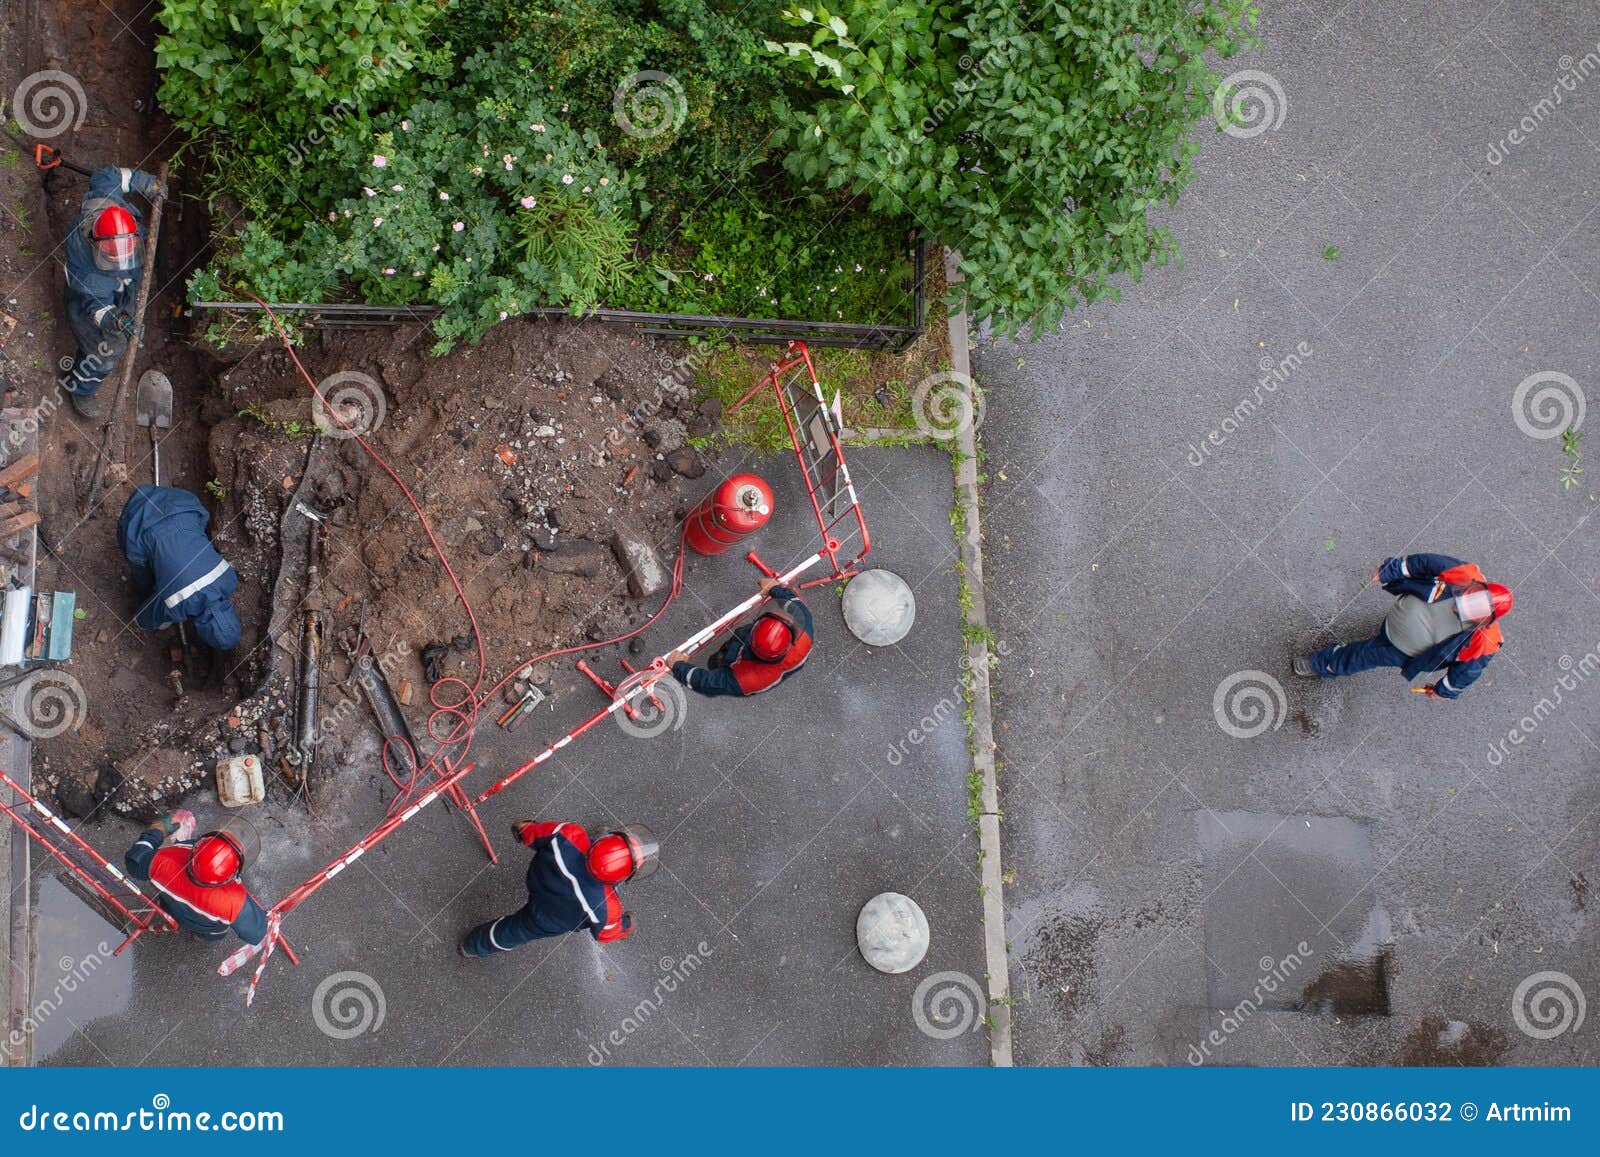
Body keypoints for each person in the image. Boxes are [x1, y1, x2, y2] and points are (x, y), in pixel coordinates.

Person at [1293, 553, 1512, 699]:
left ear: (1486, 621)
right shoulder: (1465, 573)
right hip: (1394, 622)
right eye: (1465, 599)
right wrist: (1392, 570)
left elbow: (1467, 672)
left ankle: (1323, 664)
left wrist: (1443, 690)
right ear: (1476, 588)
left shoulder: (1485, 642)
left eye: (1469, 611)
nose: (1459, 607)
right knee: (1368, 648)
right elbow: (1425, 563)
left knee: (1361, 656)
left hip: (1401, 651)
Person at [459, 822, 657, 957]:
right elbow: (606, 934)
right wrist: (627, 925)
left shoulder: (569, 835)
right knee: (515, 932)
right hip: (547, 919)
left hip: (538, 880)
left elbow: (531, 832)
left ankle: (473, 945)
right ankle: (472, 949)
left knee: (512, 928)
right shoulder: (607, 907)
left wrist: (523, 828)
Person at [61, 165, 164, 418]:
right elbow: (96, 309)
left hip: (117, 281)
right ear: (97, 244)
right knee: (103, 351)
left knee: (129, 284)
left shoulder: (105, 199)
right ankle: (80, 387)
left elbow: (108, 174)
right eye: (113, 255)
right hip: (87, 303)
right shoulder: (88, 273)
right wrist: (116, 320)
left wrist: (147, 183)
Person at [117, 484, 242, 651]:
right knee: (142, 573)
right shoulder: (177, 604)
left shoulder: (229, 579)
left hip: (180, 503)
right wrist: (142, 613)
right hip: (137, 523)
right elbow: (145, 617)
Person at [124, 810, 267, 944]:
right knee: (216, 933)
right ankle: (199, 936)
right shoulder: (234, 903)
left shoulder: (161, 860)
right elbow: (256, 934)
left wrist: (157, 830)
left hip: (169, 907)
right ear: (228, 878)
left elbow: (134, 861)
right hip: (206, 927)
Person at [665, 577, 813, 697]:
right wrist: (774, 589)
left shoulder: (747, 679)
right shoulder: (804, 634)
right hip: (772, 662)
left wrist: (679, 667)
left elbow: (707, 683)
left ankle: (717, 661)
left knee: (719, 662)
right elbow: (796, 606)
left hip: (742, 664)